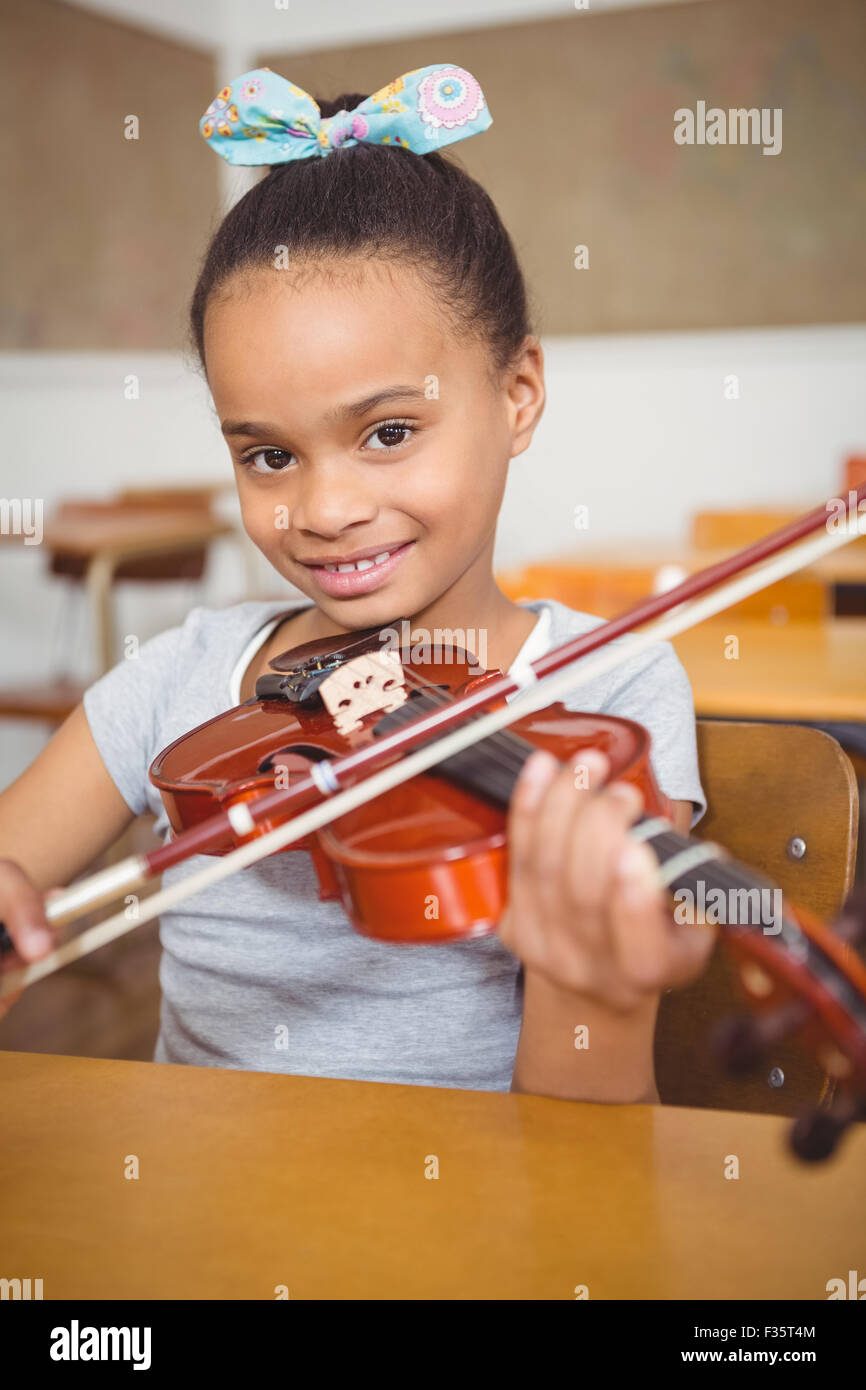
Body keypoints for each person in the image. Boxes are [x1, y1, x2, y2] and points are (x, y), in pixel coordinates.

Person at [0, 64, 713, 1102]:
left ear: (517, 395)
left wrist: (596, 993)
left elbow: (584, 1163)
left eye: (387, 433)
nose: (324, 510)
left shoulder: (611, 698)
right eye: (268, 455)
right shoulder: (181, 681)